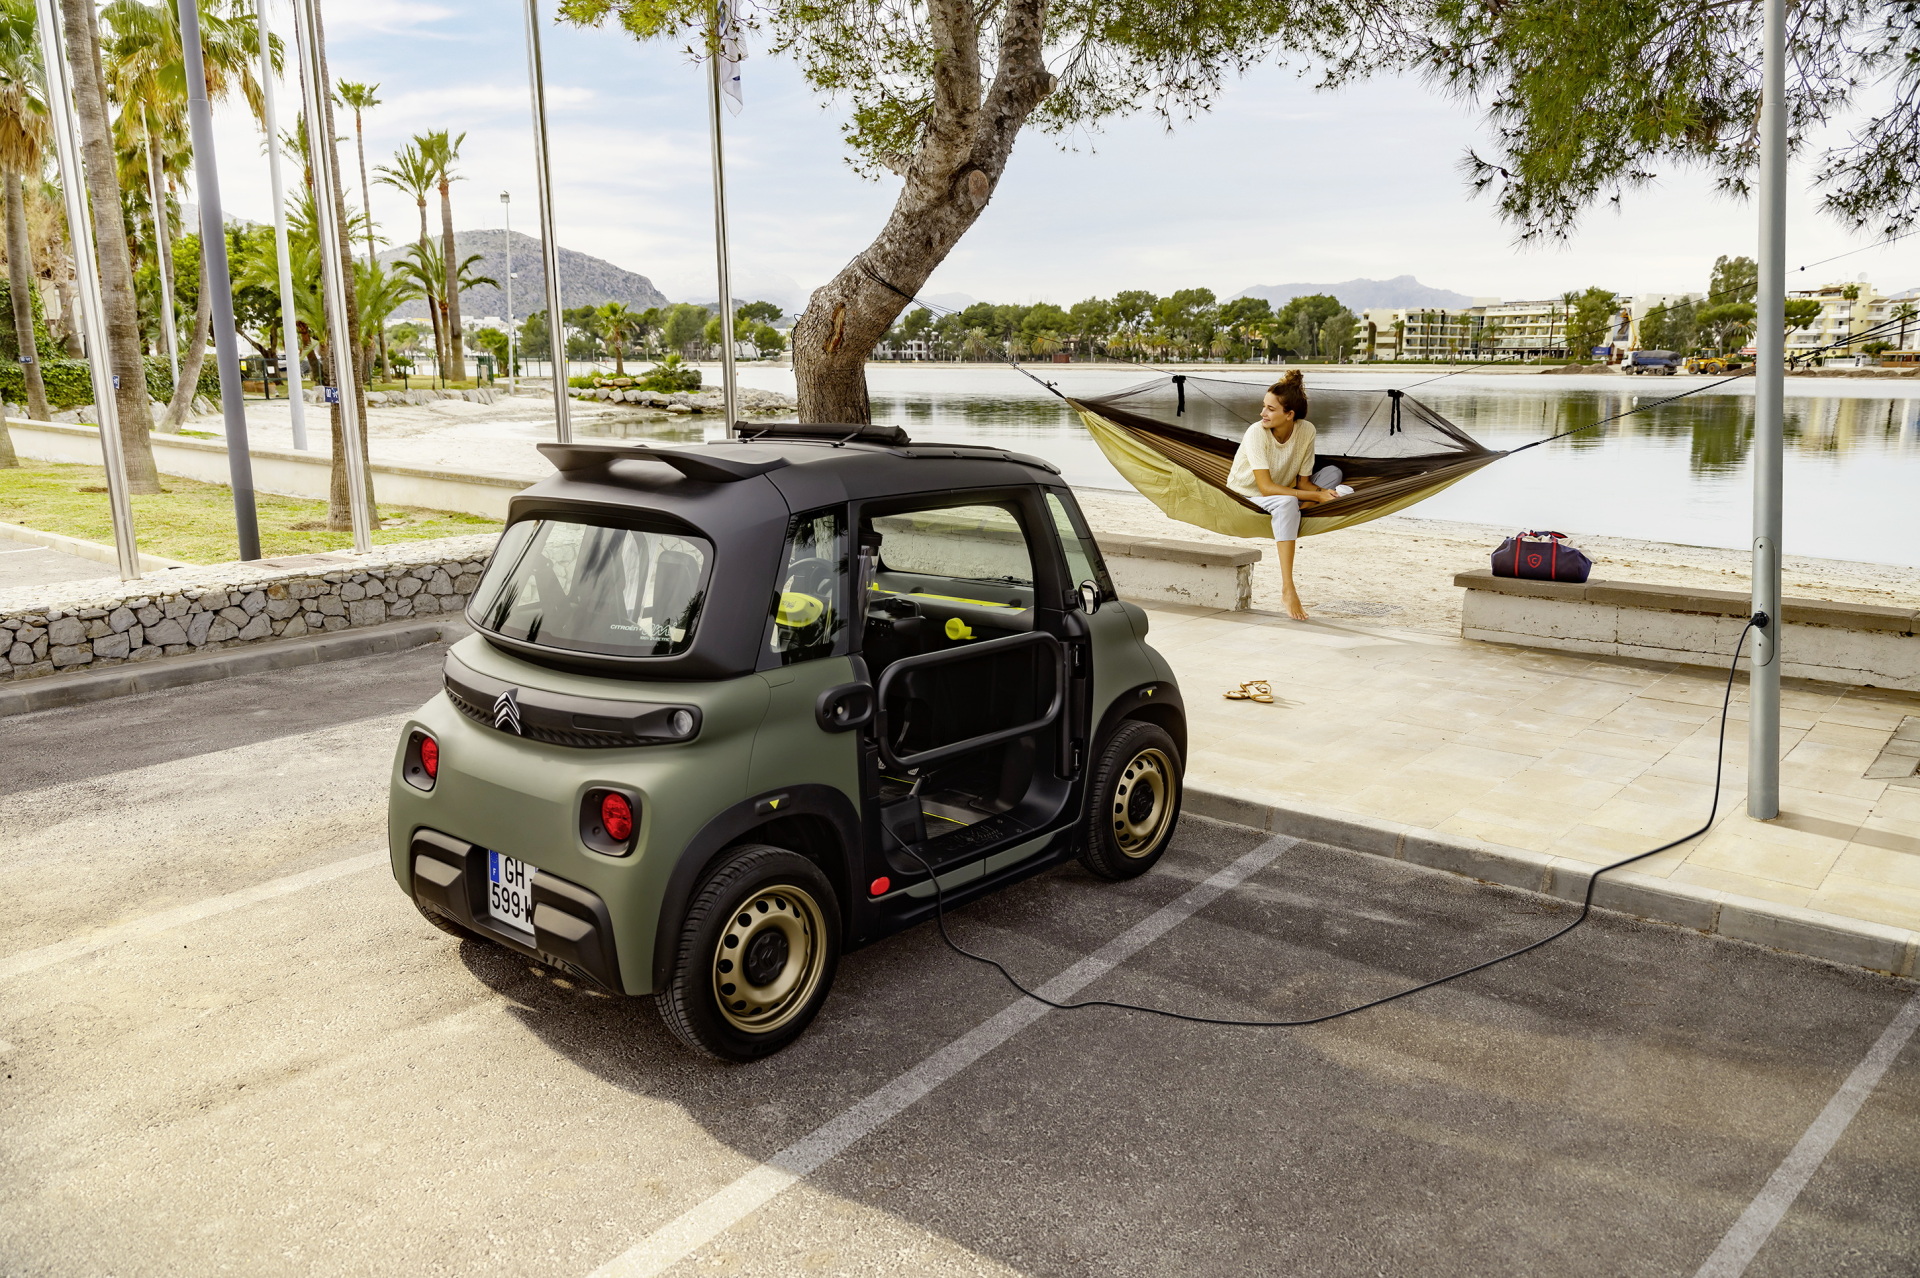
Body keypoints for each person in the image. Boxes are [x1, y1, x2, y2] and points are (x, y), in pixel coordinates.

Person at [1225, 371, 1352, 620]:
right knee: (1287, 501)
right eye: (1264, 407)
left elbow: (1303, 481)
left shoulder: (1306, 431)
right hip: (1249, 495)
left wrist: (1318, 491)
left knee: (1334, 474)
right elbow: (1265, 488)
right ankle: (1288, 587)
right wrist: (1316, 497)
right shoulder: (1256, 432)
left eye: (1270, 409)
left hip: (1286, 488)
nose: (1263, 413)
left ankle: (1300, 505)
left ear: (1289, 414)